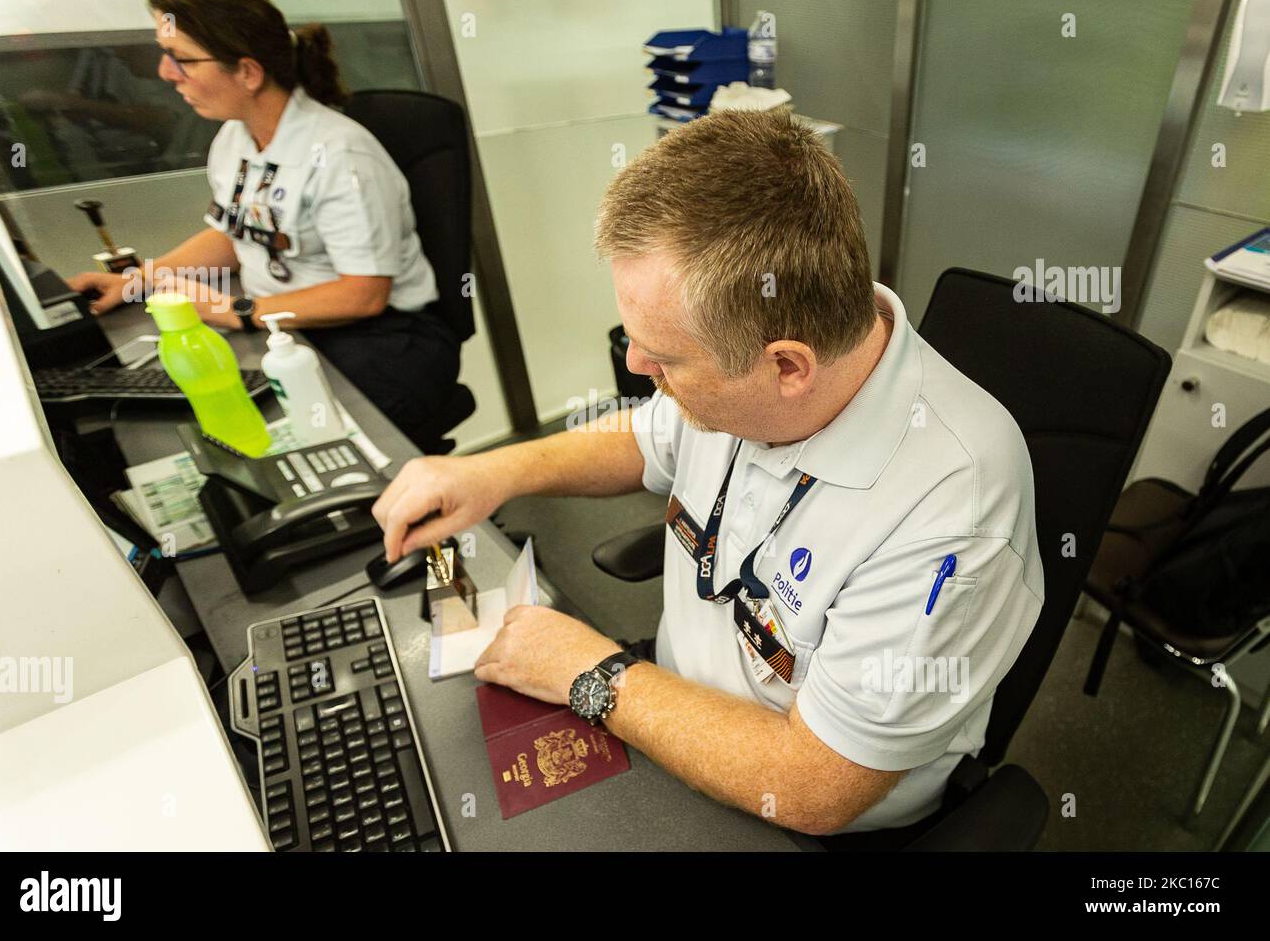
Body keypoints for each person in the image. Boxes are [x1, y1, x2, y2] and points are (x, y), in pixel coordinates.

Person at [371, 108, 1045, 844]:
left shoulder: (952, 507)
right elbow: (640, 438)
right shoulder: (744, 381)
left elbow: (811, 786)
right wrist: (491, 473)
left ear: (788, 366)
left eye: (664, 357)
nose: (634, 366)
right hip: (662, 708)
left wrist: (587, 670)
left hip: (792, 817)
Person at [67, 0, 460, 453]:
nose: (165, 73)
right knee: (198, 417)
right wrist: (140, 280)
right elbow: (233, 237)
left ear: (248, 72)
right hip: (287, 327)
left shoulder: (340, 154)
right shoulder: (234, 139)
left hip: (383, 340)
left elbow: (364, 294)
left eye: (181, 59)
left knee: (262, 444)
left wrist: (236, 313)